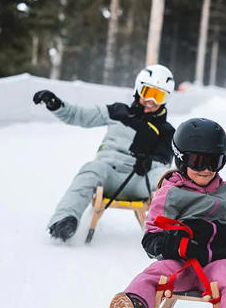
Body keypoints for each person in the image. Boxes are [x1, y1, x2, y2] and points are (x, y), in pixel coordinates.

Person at [108, 118, 226, 308]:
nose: (206, 170)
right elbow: (151, 237)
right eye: (198, 162)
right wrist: (178, 245)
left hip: (217, 262)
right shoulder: (171, 193)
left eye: (213, 162)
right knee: (153, 274)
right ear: (182, 159)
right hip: (180, 263)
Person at [33, 64, 177, 242]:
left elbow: (164, 162)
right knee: (90, 170)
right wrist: (56, 105)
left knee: (169, 179)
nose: (151, 101)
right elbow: (79, 115)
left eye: (158, 96)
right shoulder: (118, 112)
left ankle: (171, 234)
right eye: (148, 92)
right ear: (139, 89)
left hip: (140, 179)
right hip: (108, 172)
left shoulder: (166, 130)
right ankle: (64, 220)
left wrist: (149, 162)